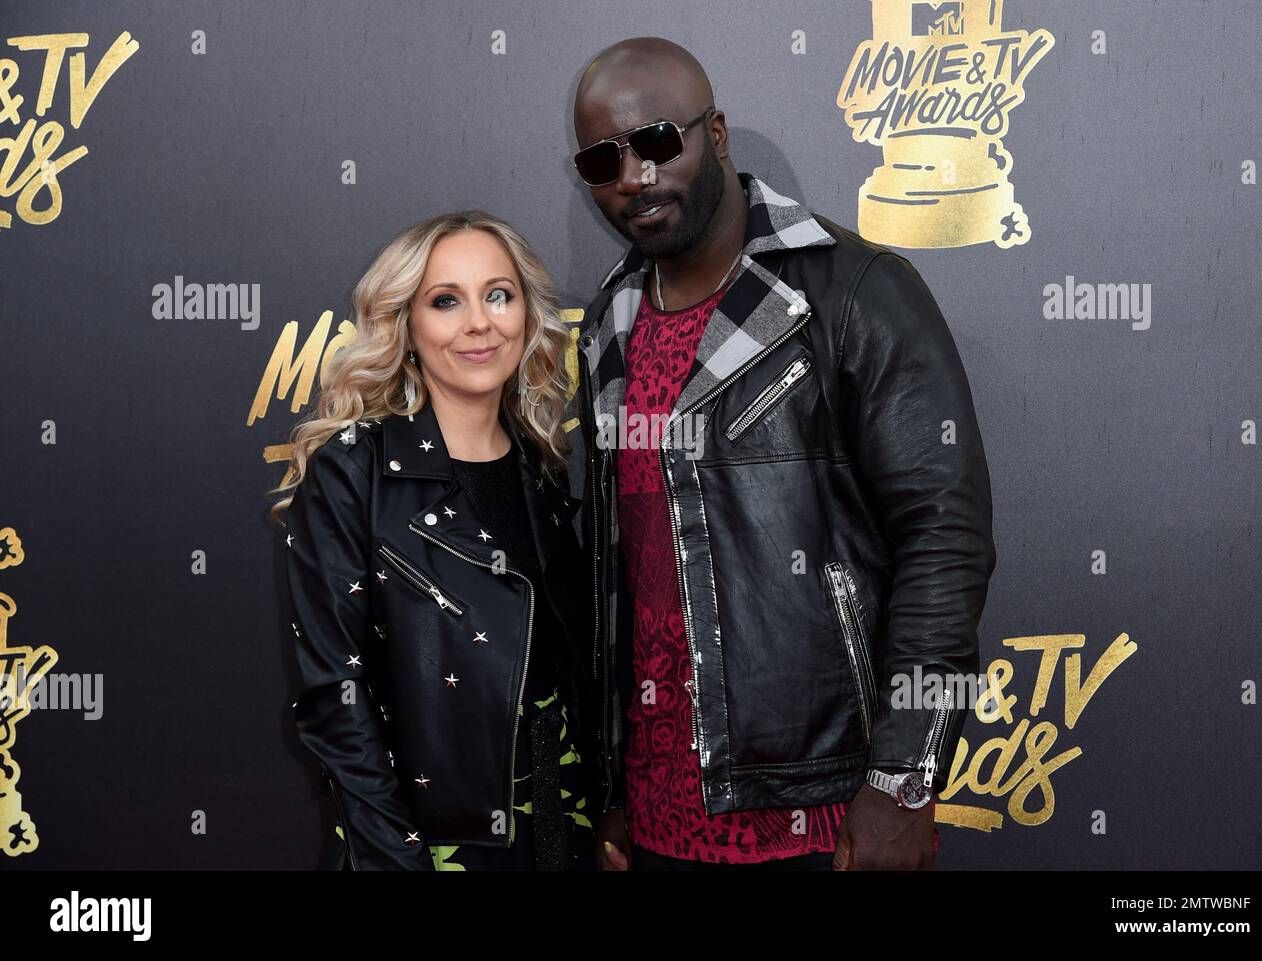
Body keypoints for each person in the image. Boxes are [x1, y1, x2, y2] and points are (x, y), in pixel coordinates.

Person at [569, 38, 997, 870]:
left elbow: (944, 541)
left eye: (657, 141)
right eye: (601, 160)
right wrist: (613, 785)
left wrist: (903, 778)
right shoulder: (608, 321)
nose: (634, 177)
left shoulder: (852, 291)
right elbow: (622, 571)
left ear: (716, 133)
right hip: (656, 819)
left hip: (824, 813)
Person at [270, 211, 596, 870]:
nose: (479, 322)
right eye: (446, 301)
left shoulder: (543, 465)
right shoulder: (351, 471)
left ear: (527, 315)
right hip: (431, 847)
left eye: (498, 295)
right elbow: (335, 699)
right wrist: (398, 859)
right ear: (406, 325)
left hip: (562, 830)